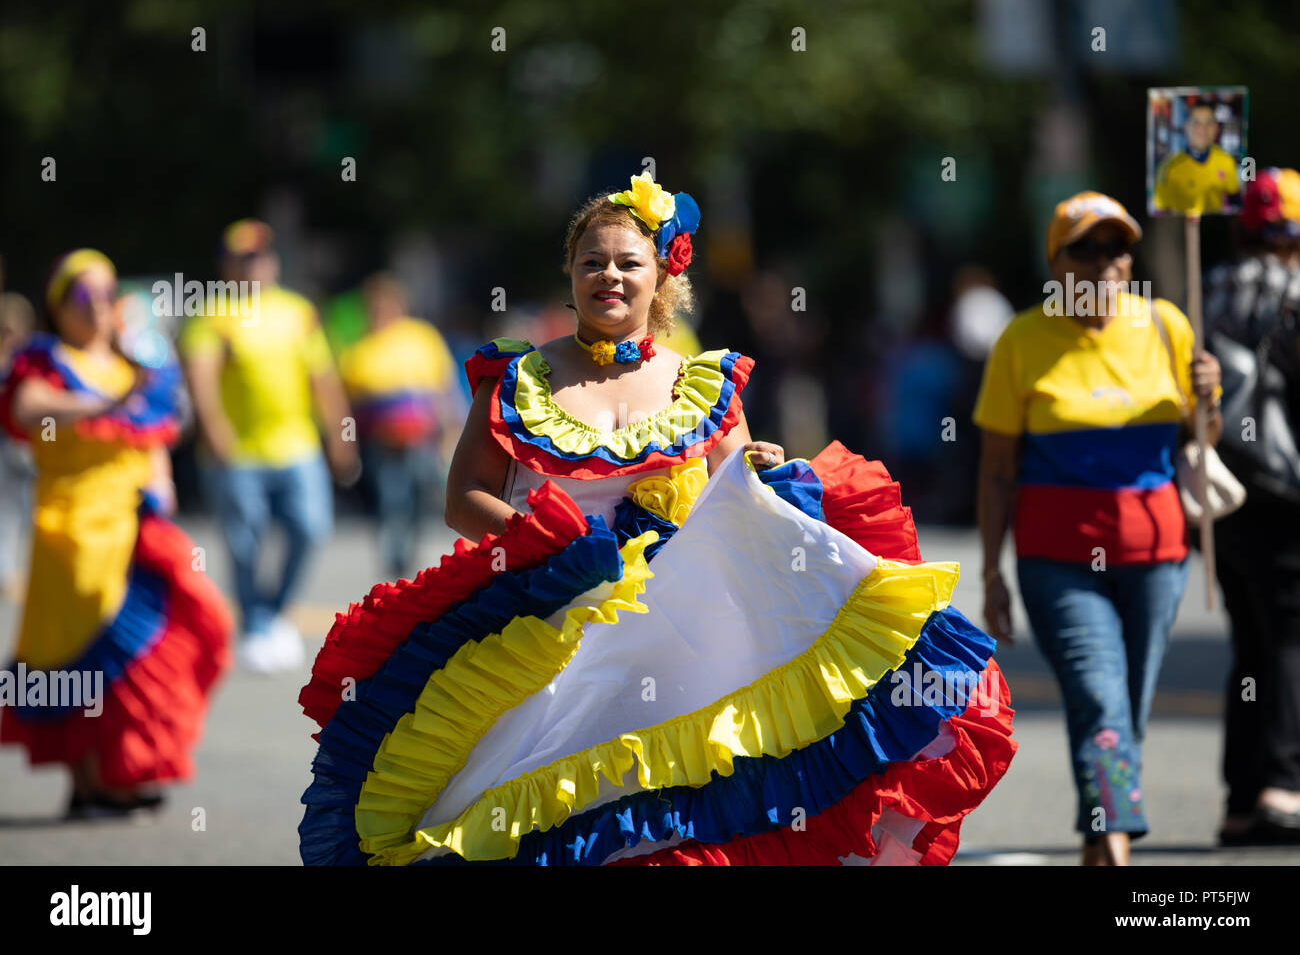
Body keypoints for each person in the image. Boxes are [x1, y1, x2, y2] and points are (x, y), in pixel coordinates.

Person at [297, 172, 1016, 866]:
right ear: (571, 273)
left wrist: (760, 469)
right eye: (592, 262)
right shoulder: (519, 378)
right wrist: (546, 546)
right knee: (523, 792)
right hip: (545, 621)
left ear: (662, 276)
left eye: (627, 262)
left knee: (652, 795)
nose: (608, 276)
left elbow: (734, 499)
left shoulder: (700, 382)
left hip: (673, 627)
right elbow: (463, 500)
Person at [975, 191, 1223, 865]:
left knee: (1126, 704)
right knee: (1098, 691)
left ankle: (1098, 826)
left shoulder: (1169, 325)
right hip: (1057, 559)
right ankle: (1112, 827)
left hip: (1159, 553)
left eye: (1116, 249)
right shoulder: (1022, 340)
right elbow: (997, 470)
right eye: (1085, 250)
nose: (1105, 264)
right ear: (1056, 264)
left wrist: (1208, 397)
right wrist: (992, 574)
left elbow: (1202, 440)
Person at [0, 250, 231, 817]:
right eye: (86, 296)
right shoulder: (46, 360)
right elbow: (28, 409)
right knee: (87, 658)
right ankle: (92, 783)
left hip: (138, 522)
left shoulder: (134, 362)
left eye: (108, 294)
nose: (101, 306)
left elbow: (149, 435)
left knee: (192, 626)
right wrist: (99, 402)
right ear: (62, 306)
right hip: (73, 527)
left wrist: (162, 477)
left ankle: (131, 765)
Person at [180, 220, 358, 673]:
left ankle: (275, 611)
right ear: (227, 265)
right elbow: (201, 377)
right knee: (246, 540)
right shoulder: (212, 315)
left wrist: (342, 435)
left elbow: (323, 380)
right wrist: (215, 429)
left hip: (296, 447)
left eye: (260, 256)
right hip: (238, 452)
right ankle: (256, 623)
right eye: (243, 258)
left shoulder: (297, 312)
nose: (253, 265)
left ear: (273, 261)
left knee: (311, 528)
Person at [1205, 167, 1300, 845]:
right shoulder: (1294, 292)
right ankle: (1282, 784)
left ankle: (1241, 799)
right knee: (1292, 637)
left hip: (1221, 491)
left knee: (1250, 641)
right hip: (1286, 489)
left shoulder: (1203, 290)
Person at [337, 273, 466, 578]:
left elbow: (444, 387)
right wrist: (346, 442)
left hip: (421, 437)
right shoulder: (358, 349)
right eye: (375, 306)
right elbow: (347, 406)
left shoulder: (421, 337)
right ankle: (393, 560)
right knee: (389, 499)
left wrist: (454, 425)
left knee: (420, 498)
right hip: (381, 442)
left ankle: (408, 555)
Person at [0, 291, 36, 601]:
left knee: (34, 511)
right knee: (7, 513)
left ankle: (29, 571)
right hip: (5, 446)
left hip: (29, 446)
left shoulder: (31, 362)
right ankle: (7, 574)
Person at [1153, 98, 1242, 215]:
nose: (1203, 129)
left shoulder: (1226, 161)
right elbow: (1161, 211)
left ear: (1216, 128)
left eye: (1209, 123)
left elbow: (1235, 201)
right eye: (1196, 123)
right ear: (1186, 127)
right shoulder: (1168, 167)